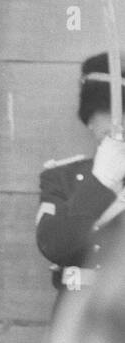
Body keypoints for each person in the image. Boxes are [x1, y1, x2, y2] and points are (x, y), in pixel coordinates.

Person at [35, 50, 125, 305]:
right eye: (105, 112)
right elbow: (55, 246)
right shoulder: (61, 177)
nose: (118, 125)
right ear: (90, 122)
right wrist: (101, 183)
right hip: (81, 318)